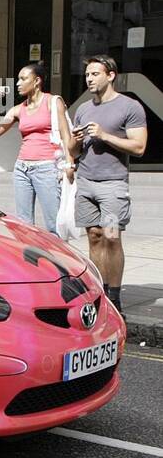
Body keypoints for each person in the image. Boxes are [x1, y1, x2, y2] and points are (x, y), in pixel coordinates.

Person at [69, 55, 149, 312]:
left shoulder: (130, 107)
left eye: (95, 74)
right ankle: (100, 292)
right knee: (94, 236)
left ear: (110, 75)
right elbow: (72, 150)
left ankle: (115, 297)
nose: (89, 79)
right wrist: (76, 140)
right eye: (87, 75)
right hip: (86, 183)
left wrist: (105, 135)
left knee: (112, 237)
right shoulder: (83, 109)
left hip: (112, 185)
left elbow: (139, 147)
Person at [0, 62, 71, 233]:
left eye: (23, 79)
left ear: (37, 81)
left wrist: (69, 164)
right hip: (21, 169)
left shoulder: (53, 102)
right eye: (18, 79)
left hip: (47, 167)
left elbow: (65, 134)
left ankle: (59, 258)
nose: (18, 83)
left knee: (53, 222)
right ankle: (30, 258)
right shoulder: (18, 109)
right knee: (24, 225)